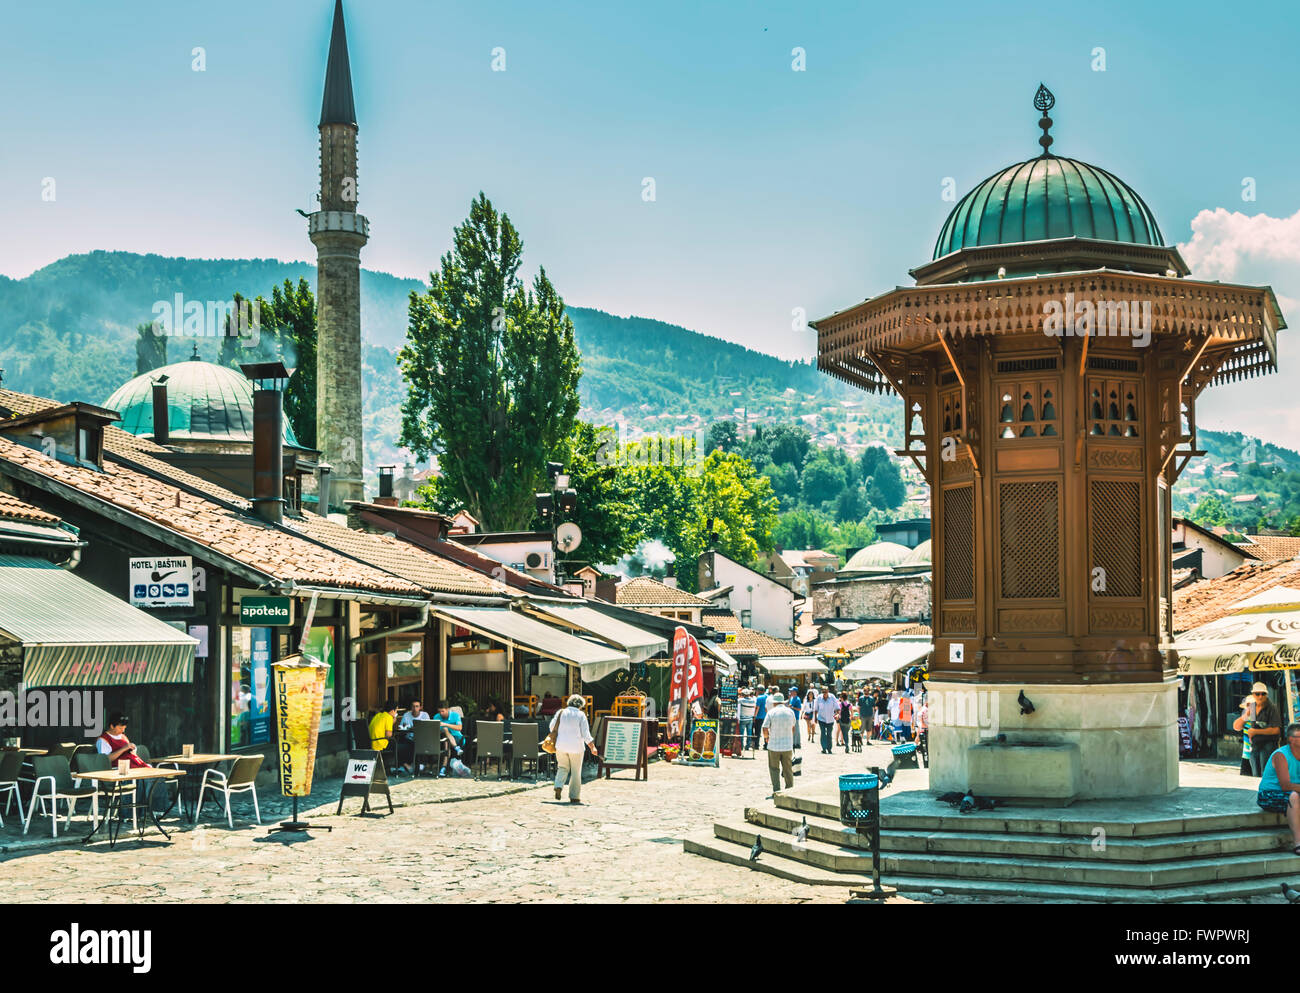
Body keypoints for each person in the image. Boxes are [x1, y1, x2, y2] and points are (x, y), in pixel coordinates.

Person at [1257, 723, 1300, 856]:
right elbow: (1285, 786)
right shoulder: (1280, 755)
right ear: (1291, 739)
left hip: (1295, 792)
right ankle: (1298, 843)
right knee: (1293, 796)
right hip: (1269, 795)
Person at [549, 694, 598, 804]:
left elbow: (552, 727)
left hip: (561, 746)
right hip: (576, 748)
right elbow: (586, 734)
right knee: (576, 771)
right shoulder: (581, 715)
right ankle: (574, 796)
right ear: (581, 705)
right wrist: (592, 747)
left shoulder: (561, 712)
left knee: (562, 767)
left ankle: (558, 786)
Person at [1234, 682, 1283, 777]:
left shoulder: (1272, 708)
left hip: (1267, 745)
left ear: (1266, 695)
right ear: (1253, 695)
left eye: (1263, 694)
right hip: (1254, 748)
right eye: (1257, 694)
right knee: (1255, 776)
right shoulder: (1251, 709)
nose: (1260, 696)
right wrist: (1247, 713)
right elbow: (1237, 726)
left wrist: (1255, 731)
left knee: (1265, 774)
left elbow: (1276, 730)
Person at [762, 692, 797, 795]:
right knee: (788, 769)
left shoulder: (771, 712)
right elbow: (793, 727)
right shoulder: (790, 712)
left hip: (774, 745)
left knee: (774, 769)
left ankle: (776, 791)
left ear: (774, 703)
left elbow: (765, 727)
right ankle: (790, 790)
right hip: (787, 746)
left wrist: (766, 738)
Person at [396, 699, 431, 774]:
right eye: (413, 706)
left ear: (420, 707)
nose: (415, 708)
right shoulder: (406, 715)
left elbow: (428, 728)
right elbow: (402, 728)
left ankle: (416, 765)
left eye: (417, 706)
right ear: (411, 707)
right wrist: (404, 727)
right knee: (399, 745)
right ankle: (407, 765)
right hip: (409, 739)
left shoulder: (425, 715)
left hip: (422, 739)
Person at [814, 686, 839, 754]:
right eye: (823, 692)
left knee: (829, 734)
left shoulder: (832, 697)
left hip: (830, 719)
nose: (824, 693)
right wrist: (815, 718)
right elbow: (816, 709)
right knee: (823, 733)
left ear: (828, 691)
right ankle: (824, 748)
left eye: (826, 691)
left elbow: (837, 707)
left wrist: (837, 714)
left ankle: (829, 748)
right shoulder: (819, 698)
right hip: (821, 718)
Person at [786, 686, 803, 752]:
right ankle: (794, 742)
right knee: (793, 730)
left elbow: (799, 708)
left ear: (795, 692)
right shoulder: (792, 698)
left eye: (792, 691)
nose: (790, 692)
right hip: (791, 716)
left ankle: (797, 743)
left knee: (796, 731)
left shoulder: (797, 699)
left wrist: (792, 707)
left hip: (795, 717)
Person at [754, 685, 769, 750]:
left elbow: (757, 708)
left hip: (759, 717)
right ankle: (766, 745)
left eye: (757, 690)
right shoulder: (768, 697)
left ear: (759, 691)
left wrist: (754, 716)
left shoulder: (759, 698)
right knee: (766, 731)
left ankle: (756, 745)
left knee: (758, 732)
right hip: (767, 716)